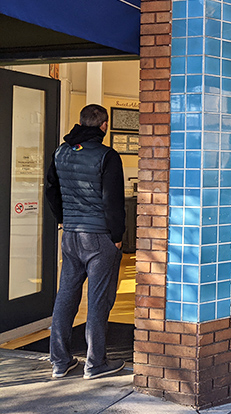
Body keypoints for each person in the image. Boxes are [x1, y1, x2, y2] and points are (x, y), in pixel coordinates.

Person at [45, 104, 126, 380]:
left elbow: (50, 190)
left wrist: (63, 219)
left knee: (66, 295)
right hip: (100, 237)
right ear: (104, 126)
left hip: (70, 235)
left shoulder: (61, 152)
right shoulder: (107, 156)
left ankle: (59, 361)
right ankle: (95, 363)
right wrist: (117, 237)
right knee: (98, 299)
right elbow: (113, 203)